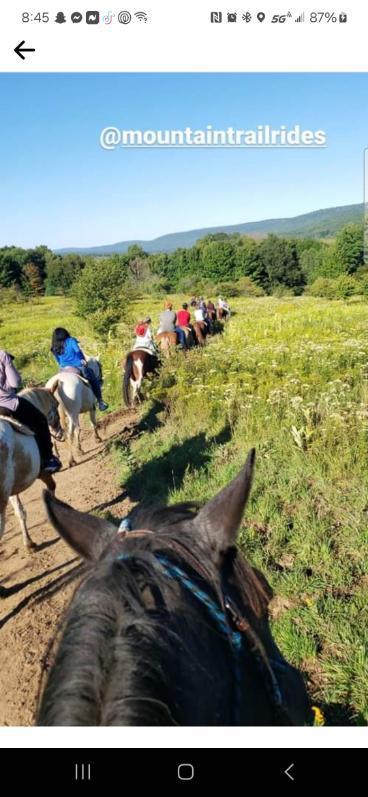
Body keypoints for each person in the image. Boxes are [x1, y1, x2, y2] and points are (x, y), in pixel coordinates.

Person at [0, 349, 61, 473]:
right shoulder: (2, 355)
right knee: (40, 421)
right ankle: (48, 459)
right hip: (7, 404)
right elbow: (15, 382)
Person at [51, 328, 108, 411]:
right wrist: (82, 359)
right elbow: (78, 351)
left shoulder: (54, 347)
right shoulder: (71, 340)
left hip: (63, 369)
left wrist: (63, 365)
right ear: (65, 333)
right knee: (93, 379)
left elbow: (58, 361)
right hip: (77, 366)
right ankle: (100, 402)